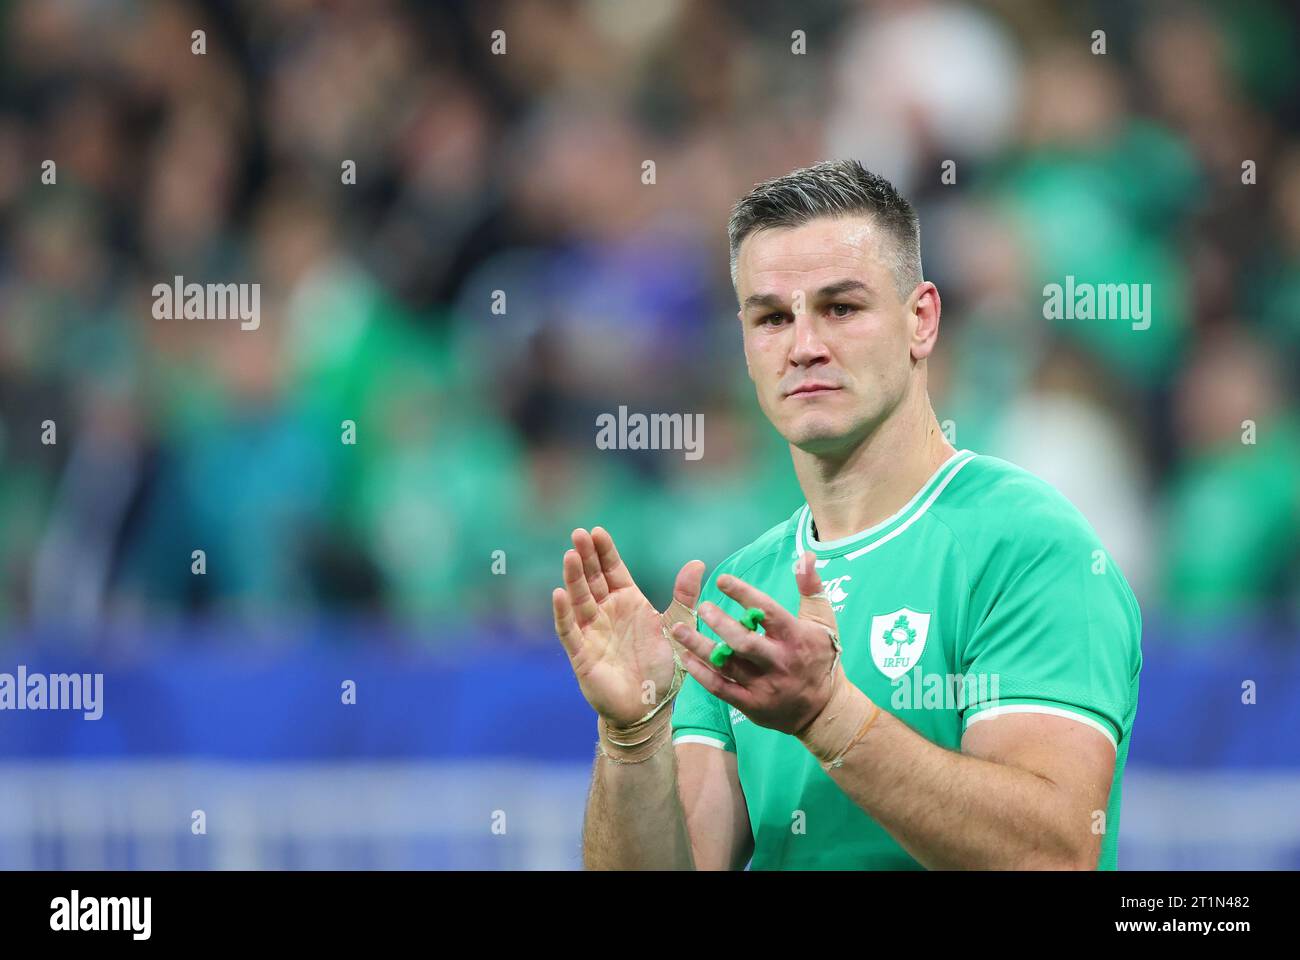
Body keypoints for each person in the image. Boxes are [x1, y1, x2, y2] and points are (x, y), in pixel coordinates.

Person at [551, 160, 1142, 870]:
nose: (804, 346)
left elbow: (1051, 857)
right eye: (772, 317)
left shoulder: (1031, 547)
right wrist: (633, 732)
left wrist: (827, 715)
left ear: (920, 319)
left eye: (841, 308)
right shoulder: (737, 593)